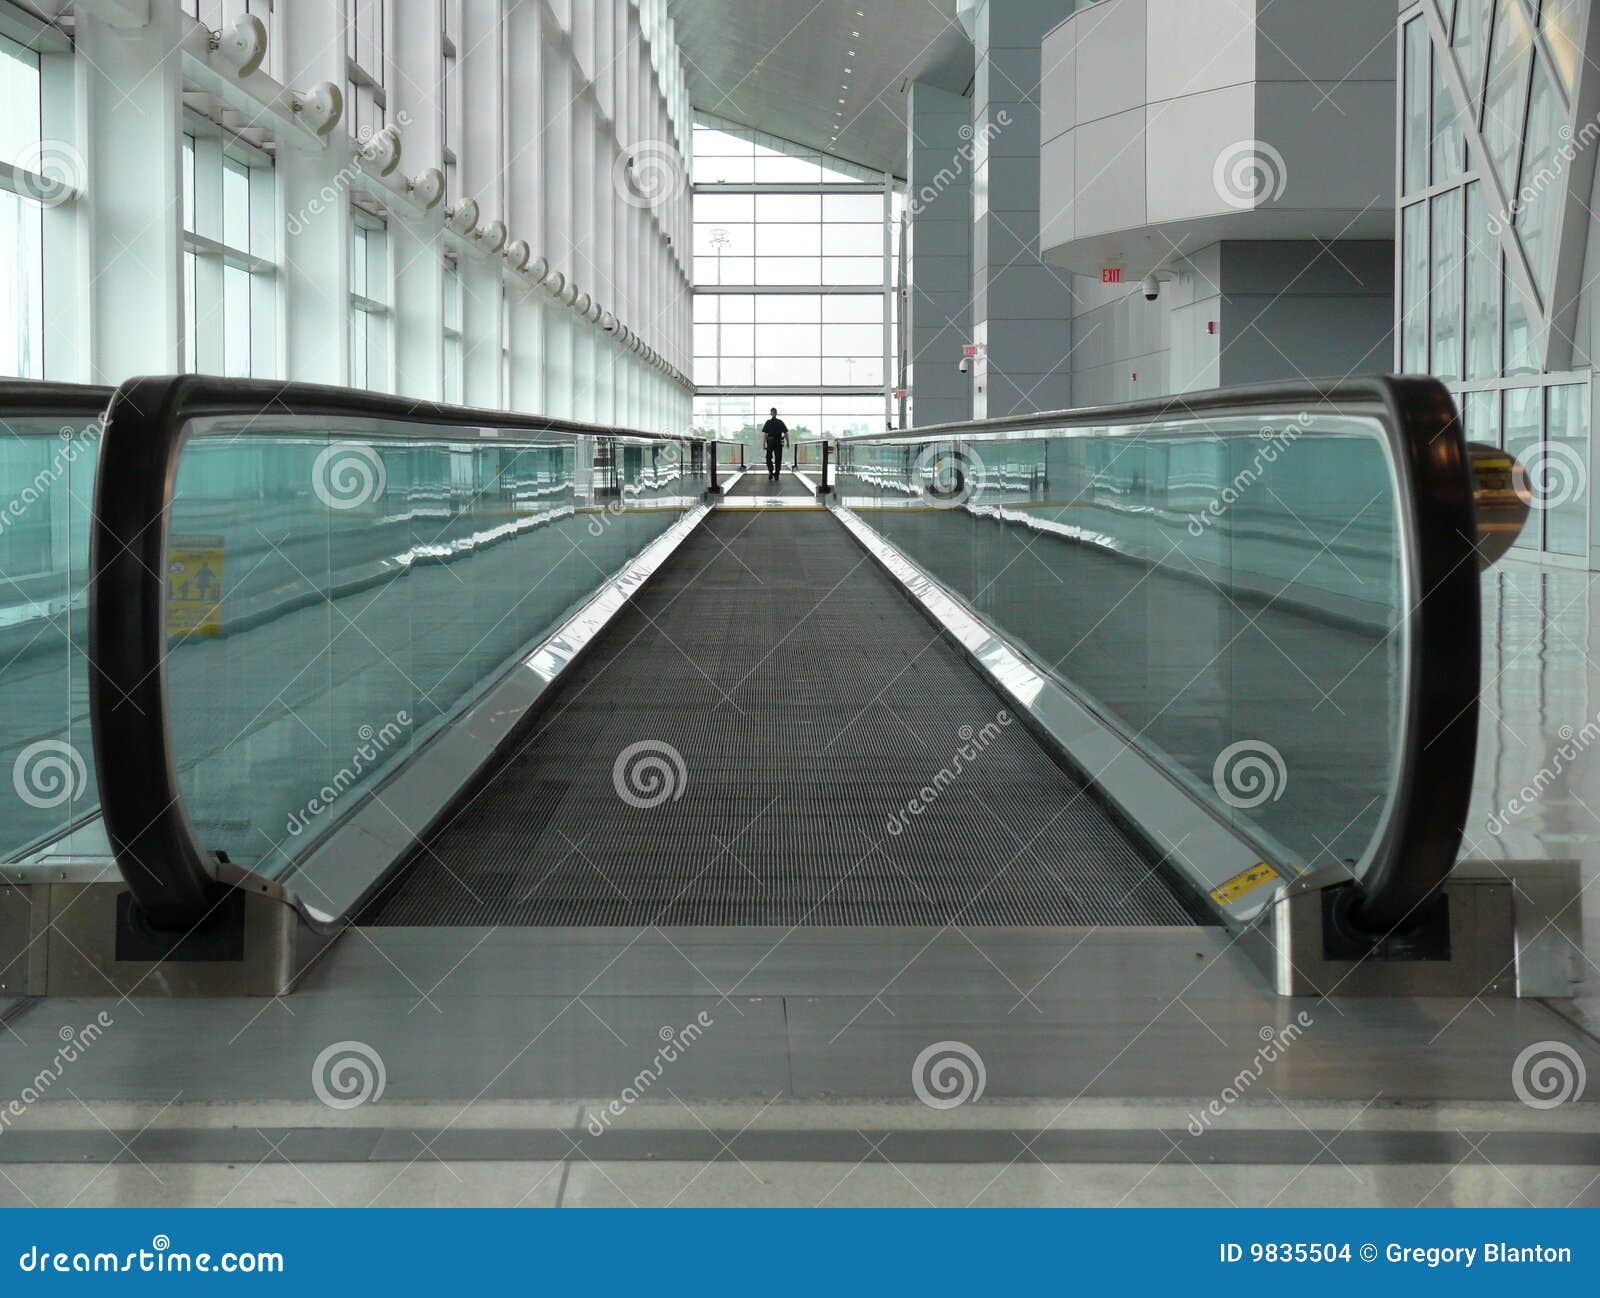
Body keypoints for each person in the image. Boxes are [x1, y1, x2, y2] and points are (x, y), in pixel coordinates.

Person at [761, 408, 788, 481]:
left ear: (771, 413)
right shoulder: (780, 422)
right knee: (778, 459)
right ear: (776, 413)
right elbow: (785, 433)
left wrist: (763, 443)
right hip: (778, 441)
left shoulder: (768, 422)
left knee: (768, 457)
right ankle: (776, 475)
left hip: (770, 441)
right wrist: (787, 442)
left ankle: (770, 471)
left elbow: (765, 434)